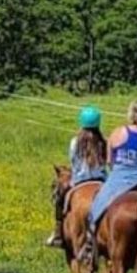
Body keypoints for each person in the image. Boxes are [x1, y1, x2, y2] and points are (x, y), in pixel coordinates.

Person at [77, 100, 137, 264]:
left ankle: (89, 244)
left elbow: (110, 162)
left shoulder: (116, 134)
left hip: (118, 180)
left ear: (129, 113)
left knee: (96, 207)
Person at [46, 106, 108, 248]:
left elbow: (73, 162)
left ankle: (58, 232)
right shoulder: (104, 142)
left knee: (59, 197)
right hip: (102, 181)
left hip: (80, 180)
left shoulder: (75, 142)